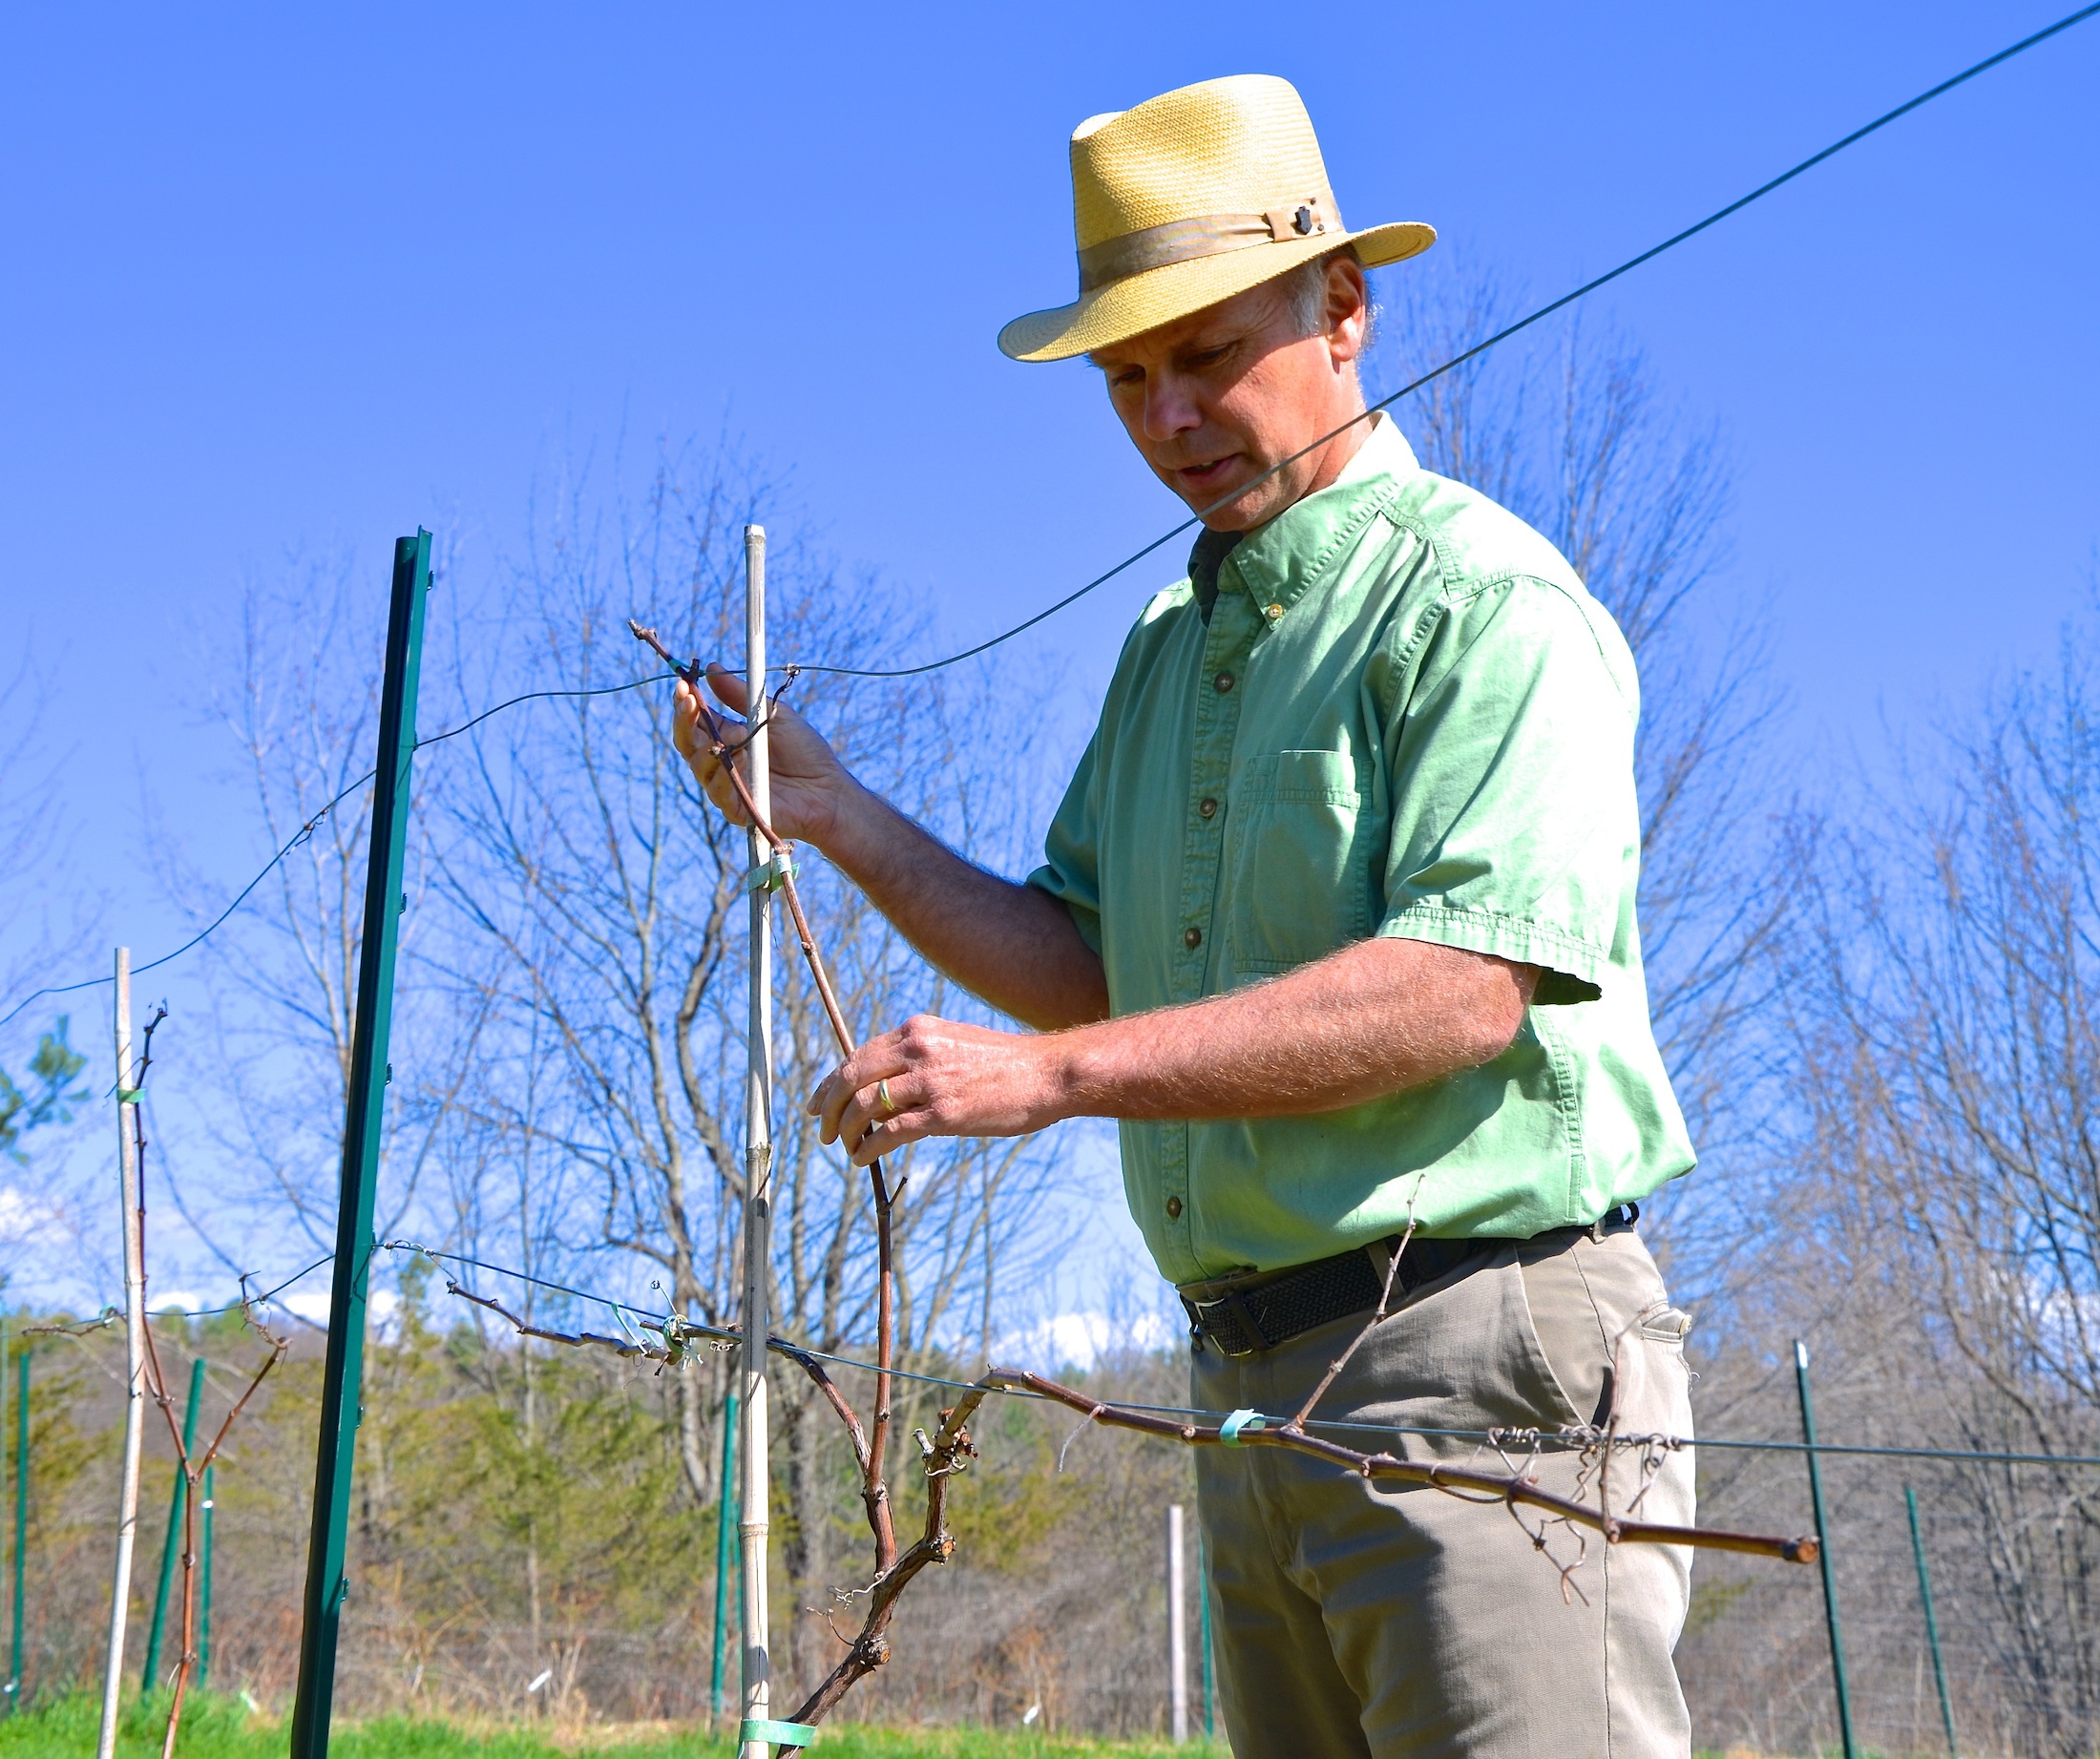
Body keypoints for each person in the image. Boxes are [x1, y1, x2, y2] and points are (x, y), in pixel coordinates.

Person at [674, 73, 1698, 1759]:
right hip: (1245, 1387)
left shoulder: (1484, 603)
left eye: (1208, 353)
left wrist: (1049, 1083)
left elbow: (1463, 990)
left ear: (1344, 307)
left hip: (1475, 1362)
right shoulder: (1169, 652)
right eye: (1127, 378)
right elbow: (1090, 967)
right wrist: (840, 818)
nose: (1167, 416)